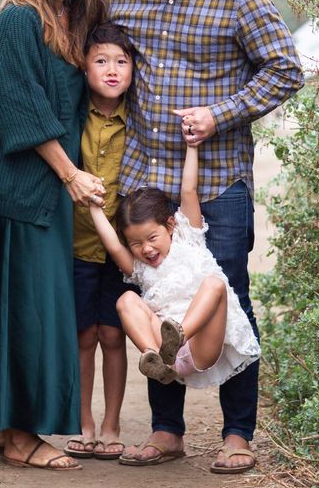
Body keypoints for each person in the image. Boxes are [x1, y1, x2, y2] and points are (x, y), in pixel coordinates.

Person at [107, 0, 303, 474]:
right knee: (157, 300)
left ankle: (237, 433)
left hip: (218, 185)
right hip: (144, 181)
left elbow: (286, 69)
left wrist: (221, 114)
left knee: (229, 300)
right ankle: (167, 432)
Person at [0, 23, 139, 461]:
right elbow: (24, 122)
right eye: (100, 61)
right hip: (69, 233)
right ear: (84, 68)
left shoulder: (137, 118)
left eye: (121, 62)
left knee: (105, 333)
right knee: (71, 331)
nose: (111, 70)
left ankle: (93, 425)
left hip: (117, 246)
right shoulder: (71, 107)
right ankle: (50, 429)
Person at [0, 0, 109, 471]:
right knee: (31, 312)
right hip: (30, 189)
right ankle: (23, 438)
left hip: (45, 192)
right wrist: (70, 174)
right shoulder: (20, 19)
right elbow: (20, 108)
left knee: (25, 307)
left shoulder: (70, 22)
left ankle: (6, 428)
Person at [89, 143, 260, 392]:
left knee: (214, 284)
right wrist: (94, 206)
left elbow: (188, 190)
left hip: (200, 344)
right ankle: (152, 357)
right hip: (164, 350)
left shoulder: (188, 237)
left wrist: (192, 147)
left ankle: (180, 333)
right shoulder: (139, 267)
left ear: (170, 226)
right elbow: (114, 246)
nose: (146, 249)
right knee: (125, 299)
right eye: (136, 244)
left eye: (152, 238)